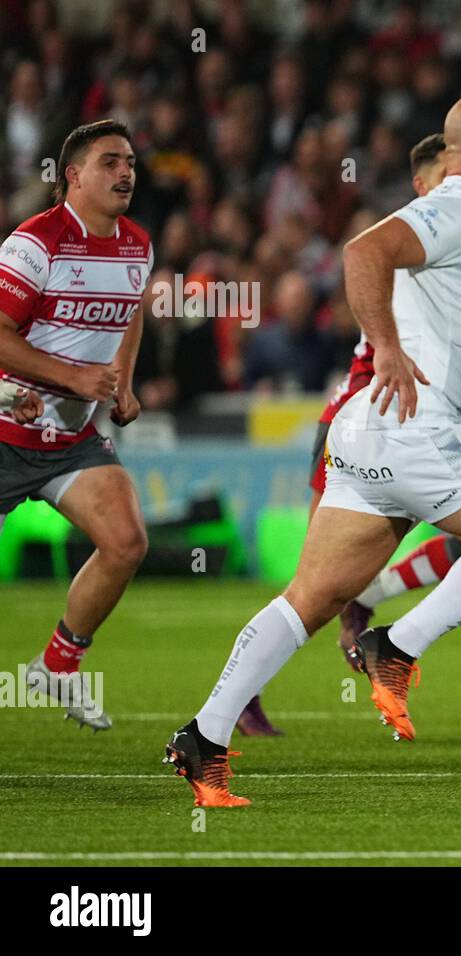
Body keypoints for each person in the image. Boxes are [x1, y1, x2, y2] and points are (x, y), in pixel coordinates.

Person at [164, 92, 461, 807]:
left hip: (370, 437)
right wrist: (391, 352)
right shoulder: (460, 203)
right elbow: (362, 249)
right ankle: (395, 646)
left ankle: (203, 738)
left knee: (307, 600)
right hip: (415, 428)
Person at [234, 132, 461, 737]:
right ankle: (238, 696)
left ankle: (369, 600)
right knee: (316, 588)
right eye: (448, 177)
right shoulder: (406, 240)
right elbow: (361, 263)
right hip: (364, 417)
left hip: (422, 418)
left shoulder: (460, 242)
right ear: (420, 188)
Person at [0, 119, 153, 732]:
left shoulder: (137, 245)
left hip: (69, 439)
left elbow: (131, 311)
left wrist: (125, 379)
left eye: (132, 164)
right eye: (112, 161)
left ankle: (57, 668)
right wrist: (72, 377)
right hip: (6, 430)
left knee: (126, 541)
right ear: (74, 175)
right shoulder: (33, 245)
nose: (126, 173)